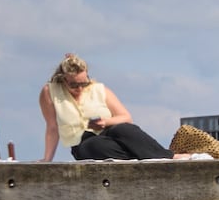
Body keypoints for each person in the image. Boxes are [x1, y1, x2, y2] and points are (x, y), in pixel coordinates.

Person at [39, 55, 172, 162]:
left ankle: (167, 157)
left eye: (83, 84)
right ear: (63, 80)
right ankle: (144, 159)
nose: (79, 89)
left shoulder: (98, 89)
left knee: (125, 129)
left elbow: (126, 117)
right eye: (74, 85)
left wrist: (104, 122)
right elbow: (52, 127)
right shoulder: (50, 92)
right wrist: (47, 159)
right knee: (96, 145)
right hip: (83, 141)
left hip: (108, 130)